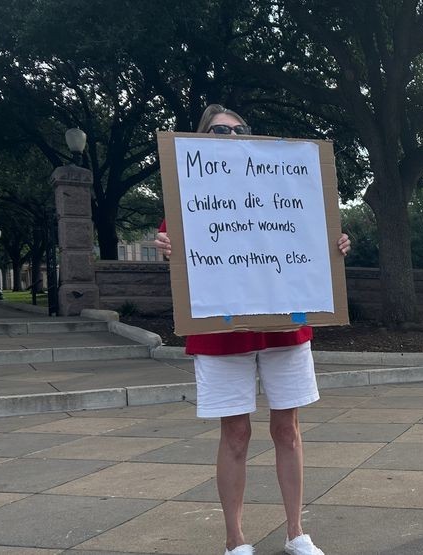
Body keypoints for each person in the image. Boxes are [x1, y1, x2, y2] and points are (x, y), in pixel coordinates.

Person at [155, 104, 351, 555]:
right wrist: (165, 244)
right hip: (220, 333)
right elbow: (176, 250)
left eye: (240, 130)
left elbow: (311, 239)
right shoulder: (189, 191)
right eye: (219, 132)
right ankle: (235, 539)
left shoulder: (285, 185)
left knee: (288, 429)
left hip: (285, 329)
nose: (231, 136)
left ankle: (295, 531)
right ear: (202, 138)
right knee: (236, 433)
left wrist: (335, 244)